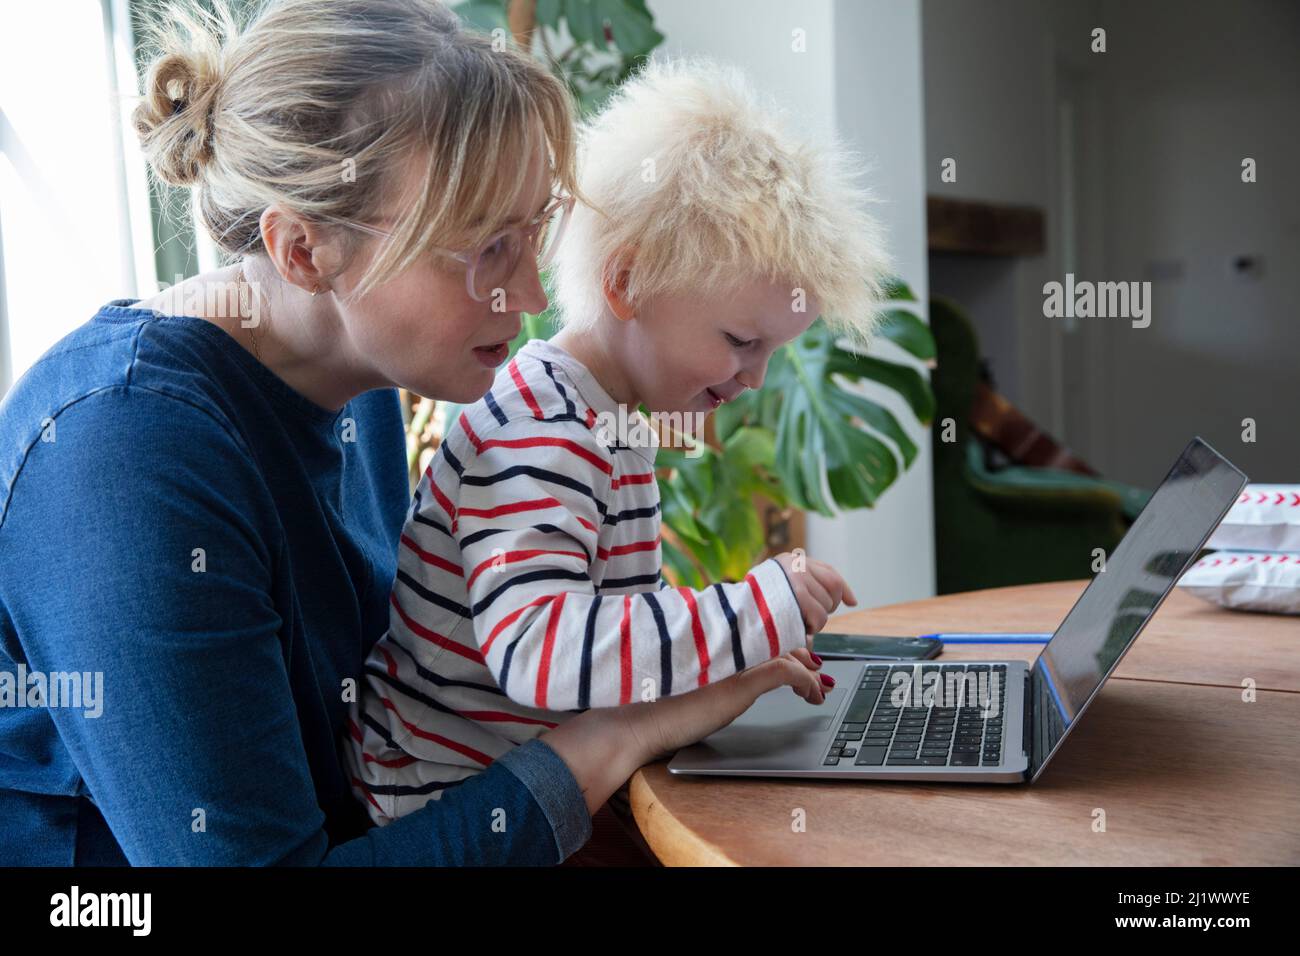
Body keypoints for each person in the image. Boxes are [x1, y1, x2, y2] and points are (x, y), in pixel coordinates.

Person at [0, 0, 831, 866]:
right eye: (486, 251)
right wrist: (623, 732)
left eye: (531, 236)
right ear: (302, 251)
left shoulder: (358, 380)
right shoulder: (125, 459)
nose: (534, 299)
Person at [346, 60, 890, 853]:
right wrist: (751, 611)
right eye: (741, 342)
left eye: (771, 351)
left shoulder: (597, 415)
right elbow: (540, 650)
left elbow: (601, 621)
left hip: (513, 772)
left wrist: (731, 661)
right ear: (628, 280)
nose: (754, 379)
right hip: (444, 802)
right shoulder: (545, 428)